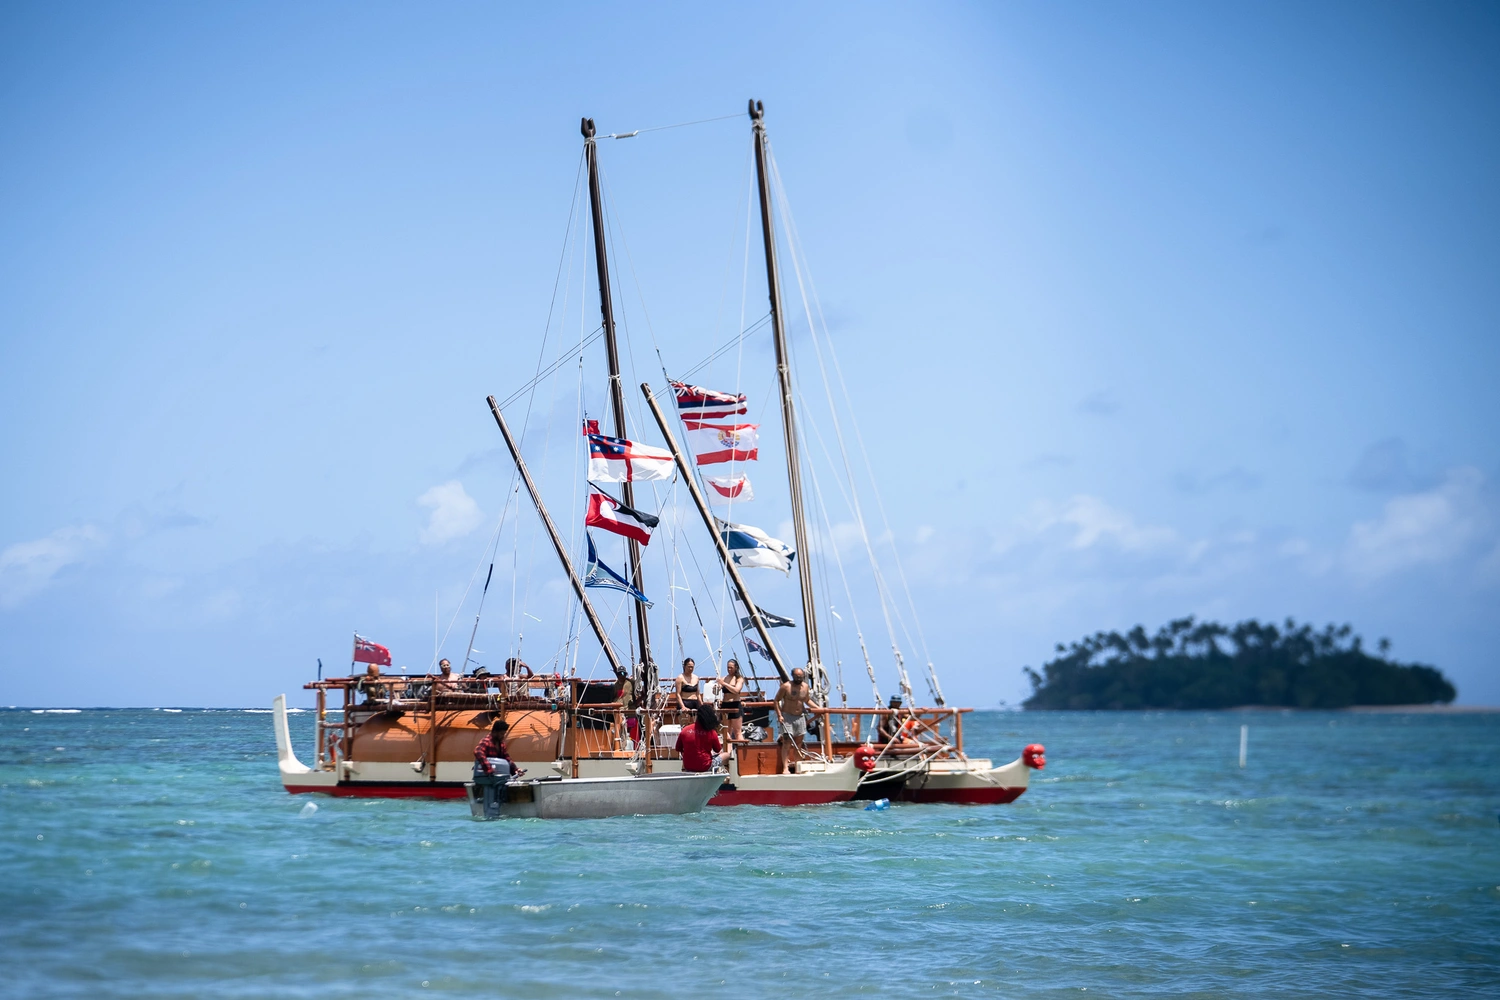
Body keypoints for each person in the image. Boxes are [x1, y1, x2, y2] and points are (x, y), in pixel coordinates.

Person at [472, 719, 521, 818]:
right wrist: (488, 768)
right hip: (488, 778)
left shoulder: (501, 744)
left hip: (498, 778)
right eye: (501, 733)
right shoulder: (486, 741)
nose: (503, 736)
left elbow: (507, 759)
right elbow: (478, 752)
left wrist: (515, 770)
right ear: (494, 732)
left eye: (504, 734)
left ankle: (497, 813)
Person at [775, 667, 813, 773]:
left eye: (801, 676)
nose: (799, 678)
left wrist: (818, 709)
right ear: (793, 676)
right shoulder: (786, 686)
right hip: (787, 717)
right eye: (797, 676)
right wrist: (779, 715)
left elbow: (807, 700)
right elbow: (776, 700)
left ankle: (798, 767)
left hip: (800, 717)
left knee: (799, 744)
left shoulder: (805, 687)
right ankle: (785, 768)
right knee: (787, 742)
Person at [675, 704, 729, 773]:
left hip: (688, 767)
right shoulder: (711, 732)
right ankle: (726, 777)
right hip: (705, 767)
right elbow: (718, 749)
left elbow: (678, 748)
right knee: (726, 755)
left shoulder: (685, 730)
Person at [718, 658, 746, 743]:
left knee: (737, 732)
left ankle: (741, 749)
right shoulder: (723, 678)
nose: (729, 670)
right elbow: (717, 689)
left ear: (736, 668)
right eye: (728, 668)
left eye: (731, 668)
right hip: (725, 705)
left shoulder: (739, 678)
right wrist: (717, 687)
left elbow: (736, 690)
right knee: (726, 731)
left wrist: (725, 684)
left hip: (735, 704)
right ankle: (728, 752)